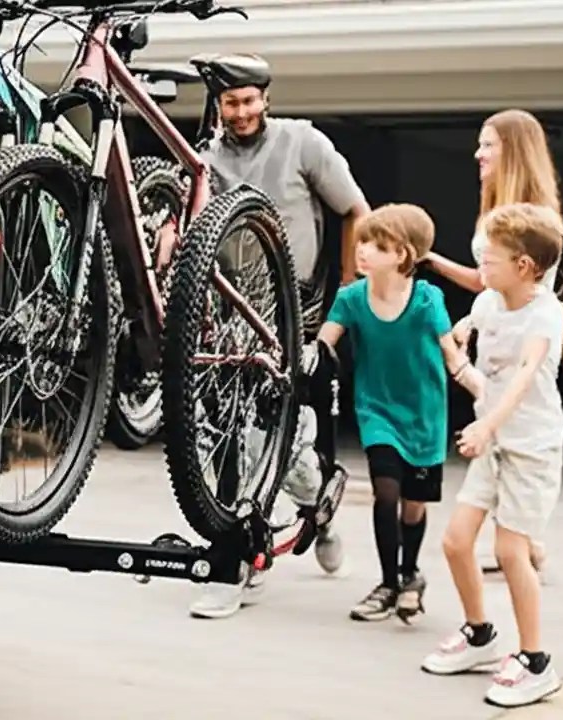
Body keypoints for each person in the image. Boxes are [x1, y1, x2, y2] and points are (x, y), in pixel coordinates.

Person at [183, 53, 372, 620]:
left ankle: (315, 506)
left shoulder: (302, 142)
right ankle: (236, 561)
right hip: (230, 311)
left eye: (248, 100)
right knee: (225, 433)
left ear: (266, 98)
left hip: (298, 312)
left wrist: (346, 286)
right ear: (217, 106)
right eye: (229, 103)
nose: (240, 112)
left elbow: (355, 209)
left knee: (285, 438)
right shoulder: (206, 160)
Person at [420, 202, 563, 708]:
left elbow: (522, 377)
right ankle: (480, 637)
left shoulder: (545, 313)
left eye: (489, 260)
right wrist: (456, 338)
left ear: (524, 266)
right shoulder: (490, 302)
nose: (480, 269)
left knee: (510, 552)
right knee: (456, 542)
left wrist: (484, 425)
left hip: (530, 448)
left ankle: (536, 661)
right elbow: (468, 330)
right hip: (494, 442)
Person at [421, 108, 563, 574]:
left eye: (488, 144)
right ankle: (522, 541)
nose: (478, 153)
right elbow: (487, 282)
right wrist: (433, 262)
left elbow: (511, 291)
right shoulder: (495, 209)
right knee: (495, 436)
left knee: (513, 429)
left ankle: (521, 542)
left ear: (514, 151)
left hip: (518, 339)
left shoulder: (536, 218)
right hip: (492, 331)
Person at [317, 203, 477, 624]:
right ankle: (388, 584)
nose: (362, 249)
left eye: (375, 244)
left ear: (402, 255)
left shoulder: (428, 300)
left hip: (425, 417)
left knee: (413, 505)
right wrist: (301, 366)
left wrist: (483, 392)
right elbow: (322, 345)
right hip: (377, 411)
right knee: (385, 491)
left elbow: (451, 354)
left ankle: (410, 575)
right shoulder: (351, 299)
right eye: (363, 240)